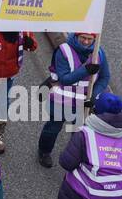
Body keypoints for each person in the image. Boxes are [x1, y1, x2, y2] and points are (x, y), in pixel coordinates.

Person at [37, 29, 110, 167]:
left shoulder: (98, 53)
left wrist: (94, 95)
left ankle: (73, 158)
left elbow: (105, 77)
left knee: (77, 133)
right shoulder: (63, 51)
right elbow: (64, 79)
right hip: (61, 100)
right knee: (52, 129)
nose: (86, 42)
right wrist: (85, 70)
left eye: (90, 39)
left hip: (82, 103)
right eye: (83, 37)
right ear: (76, 36)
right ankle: (44, 151)